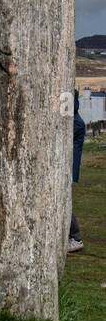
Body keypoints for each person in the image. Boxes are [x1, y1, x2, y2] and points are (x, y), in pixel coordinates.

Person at [69, 89, 86, 253]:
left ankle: (75, 237)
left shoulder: (75, 122)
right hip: (66, 169)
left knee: (65, 201)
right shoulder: (74, 120)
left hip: (68, 170)